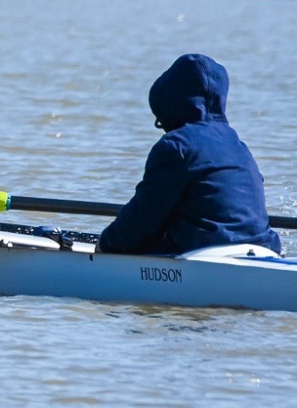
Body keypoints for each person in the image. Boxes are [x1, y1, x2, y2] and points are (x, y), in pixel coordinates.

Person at [97, 54, 281, 257]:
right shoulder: (238, 146)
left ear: (169, 98)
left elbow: (143, 217)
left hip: (205, 254)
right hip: (264, 250)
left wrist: (107, 245)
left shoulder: (176, 145)